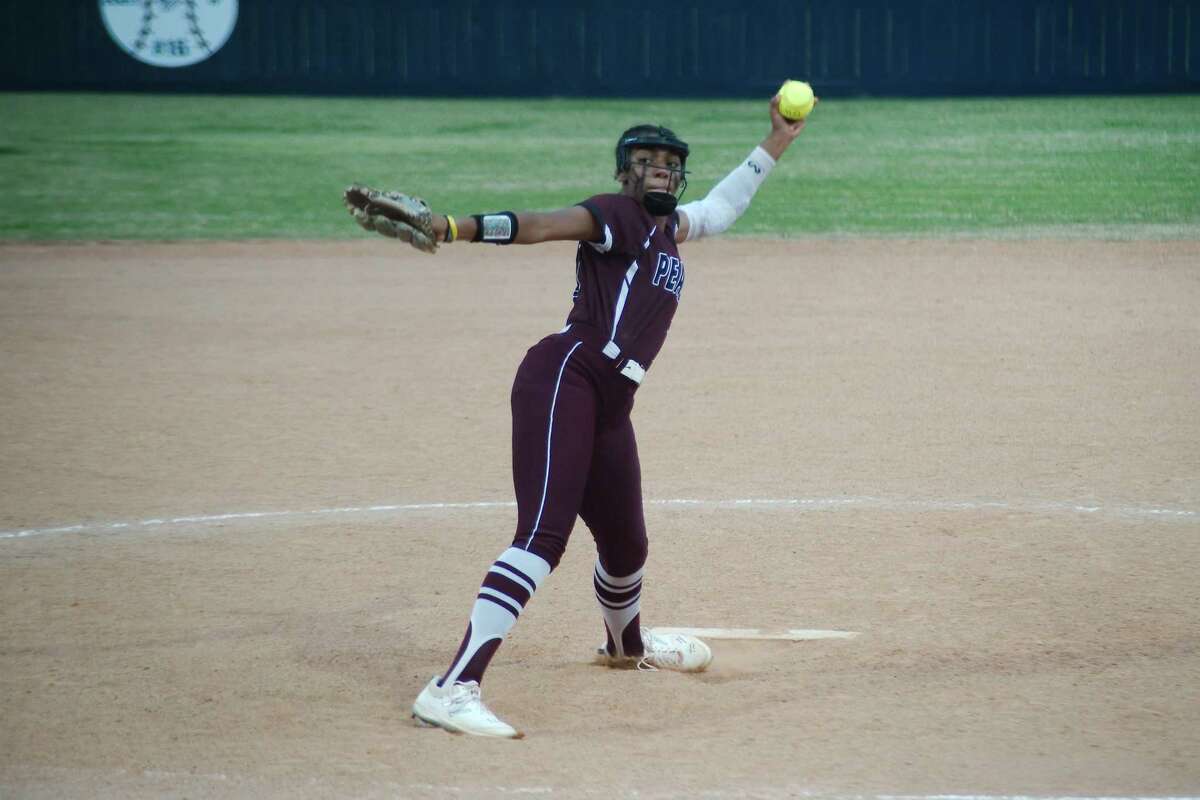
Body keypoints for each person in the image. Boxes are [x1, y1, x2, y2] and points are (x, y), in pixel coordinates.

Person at [346, 93, 811, 739]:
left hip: (610, 403)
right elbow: (540, 224)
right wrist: (452, 227)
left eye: (670, 163)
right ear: (624, 172)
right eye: (645, 160)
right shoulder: (615, 214)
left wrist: (778, 139)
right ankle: (451, 688)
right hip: (567, 378)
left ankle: (626, 648)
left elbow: (724, 207)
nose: (660, 168)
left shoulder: (668, 230)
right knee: (543, 537)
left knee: (627, 545)